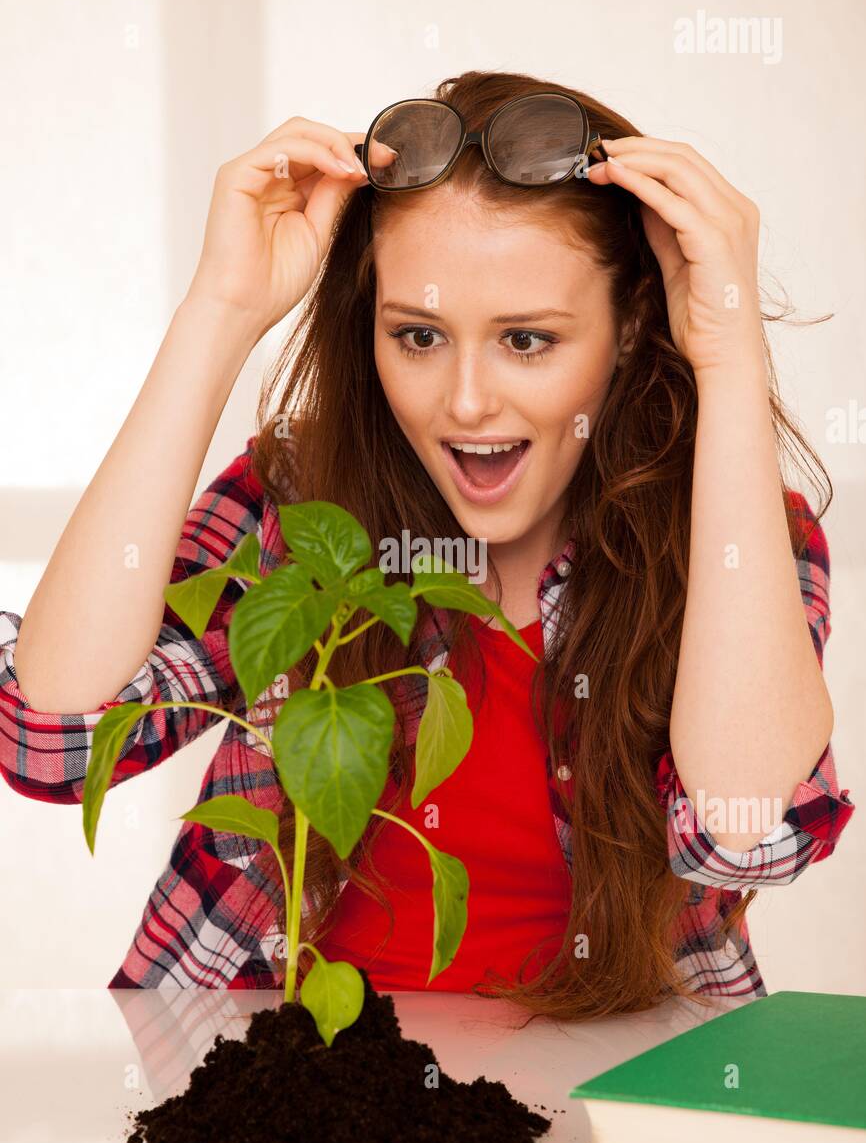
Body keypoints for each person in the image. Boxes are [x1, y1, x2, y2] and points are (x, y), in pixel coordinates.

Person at [0, 70, 854, 1020]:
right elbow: (54, 742)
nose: (466, 402)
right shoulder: (299, 508)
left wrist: (728, 356)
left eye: (527, 340)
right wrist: (221, 311)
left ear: (631, 327)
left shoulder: (740, 541)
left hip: (619, 1113)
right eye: (418, 336)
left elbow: (748, 835)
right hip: (274, 1103)